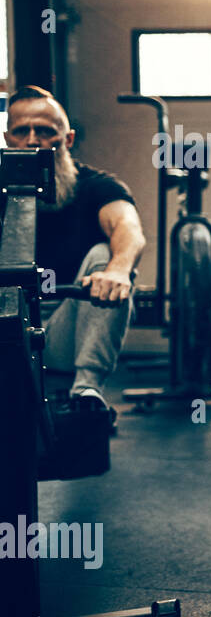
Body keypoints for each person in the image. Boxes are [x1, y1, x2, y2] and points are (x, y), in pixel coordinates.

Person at [4, 85, 146, 407]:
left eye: (44, 131)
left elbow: (128, 227)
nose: (32, 140)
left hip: (63, 332)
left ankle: (86, 392)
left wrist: (119, 270)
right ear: (8, 138)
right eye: (21, 131)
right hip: (7, 328)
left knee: (105, 254)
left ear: (67, 139)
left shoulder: (98, 186)